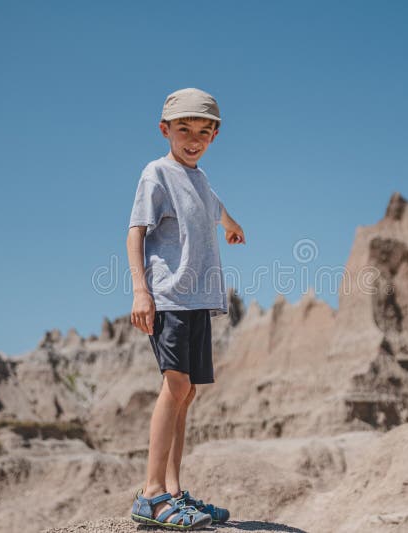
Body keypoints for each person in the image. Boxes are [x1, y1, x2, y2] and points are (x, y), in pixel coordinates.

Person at [127, 88, 246, 529]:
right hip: (170, 297)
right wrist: (142, 292)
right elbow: (135, 232)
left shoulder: (199, 180)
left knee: (188, 391)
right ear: (165, 130)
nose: (193, 139)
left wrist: (231, 225)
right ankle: (151, 494)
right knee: (174, 387)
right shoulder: (156, 174)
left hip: (198, 301)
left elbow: (214, 208)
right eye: (184, 130)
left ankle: (174, 492)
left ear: (214, 135)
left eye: (203, 131)